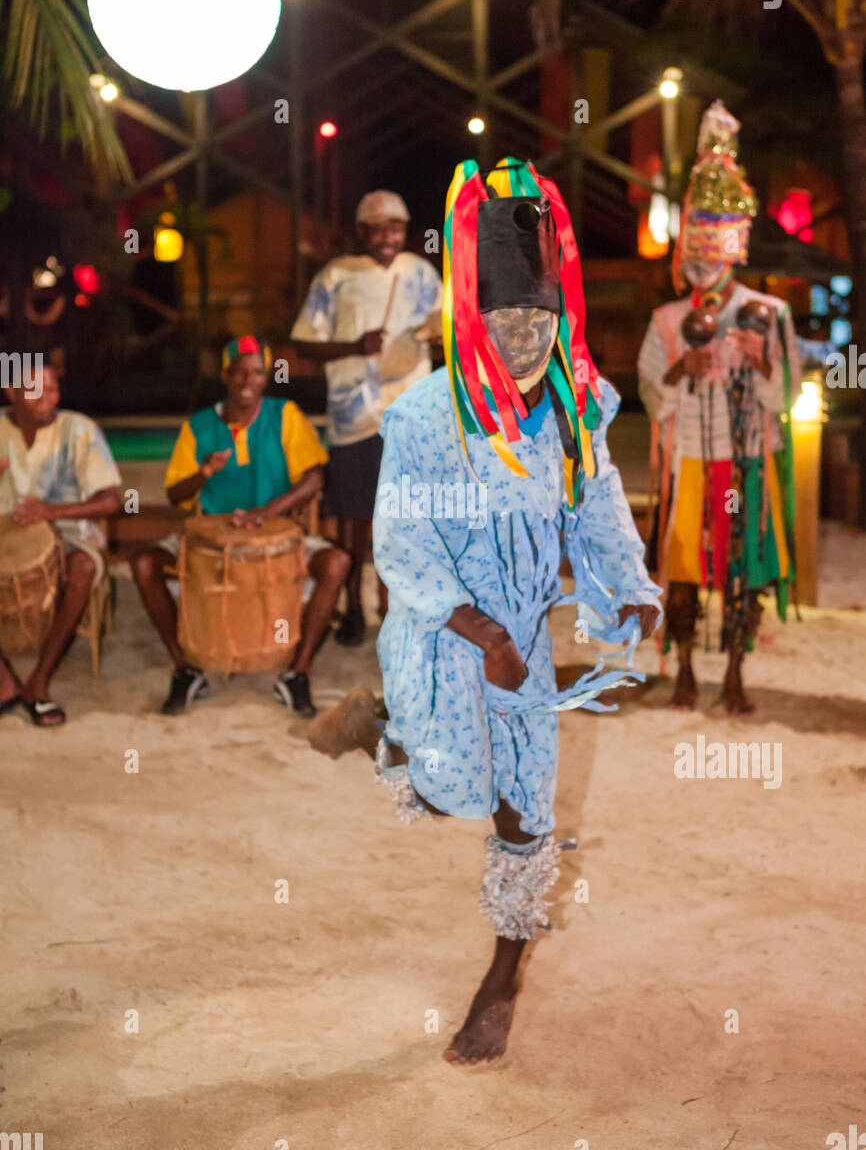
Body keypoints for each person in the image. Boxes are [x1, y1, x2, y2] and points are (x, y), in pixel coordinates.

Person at [316, 158, 661, 1065]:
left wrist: (626, 582)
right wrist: (480, 630)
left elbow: (597, 498)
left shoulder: (575, 408)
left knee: (523, 811)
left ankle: (500, 982)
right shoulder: (427, 416)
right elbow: (401, 540)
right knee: (440, 792)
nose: (523, 340)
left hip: (523, 650)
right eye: (505, 321)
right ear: (474, 317)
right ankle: (382, 728)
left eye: (538, 321)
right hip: (441, 634)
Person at [637, 101, 801, 714]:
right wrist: (685, 366)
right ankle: (682, 668)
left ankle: (735, 672)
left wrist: (759, 363)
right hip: (688, 460)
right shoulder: (669, 318)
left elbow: (785, 395)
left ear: (733, 248)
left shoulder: (769, 313)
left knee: (746, 566)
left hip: (747, 460)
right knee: (683, 566)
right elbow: (652, 391)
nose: (705, 261)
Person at [130, 336, 350, 717]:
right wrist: (204, 472)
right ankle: (186, 668)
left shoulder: (285, 415)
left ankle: (296, 674)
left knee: (337, 563)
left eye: (258, 372)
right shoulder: (198, 426)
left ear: (266, 377)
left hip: (279, 533)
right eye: (240, 372)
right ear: (225, 375)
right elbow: (174, 494)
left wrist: (266, 513)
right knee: (143, 564)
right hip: (208, 539)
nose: (249, 380)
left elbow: (314, 478)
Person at [291, 189, 442, 645]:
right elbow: (301, 343)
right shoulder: (336, 276)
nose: (388, 237)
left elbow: (445, 327)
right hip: (354, 420)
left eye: (395, 228)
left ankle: (392, 609)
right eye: (378, 228)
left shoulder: (421, 271)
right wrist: (355, 346)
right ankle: (352, 608)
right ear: (361, 232)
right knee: (354, 522)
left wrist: (438, 340)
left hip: (411, 419)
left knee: (405, 522)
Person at [0, 363, 122, 726]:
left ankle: (38, 681)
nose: (46, 399)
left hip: (71, 526)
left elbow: (111, 500)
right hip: (6, 530)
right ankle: (5, 680)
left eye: (52, 390)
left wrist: (49, 511)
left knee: (82, 567)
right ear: (12, 392)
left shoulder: (78, 430)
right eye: (35, 390)